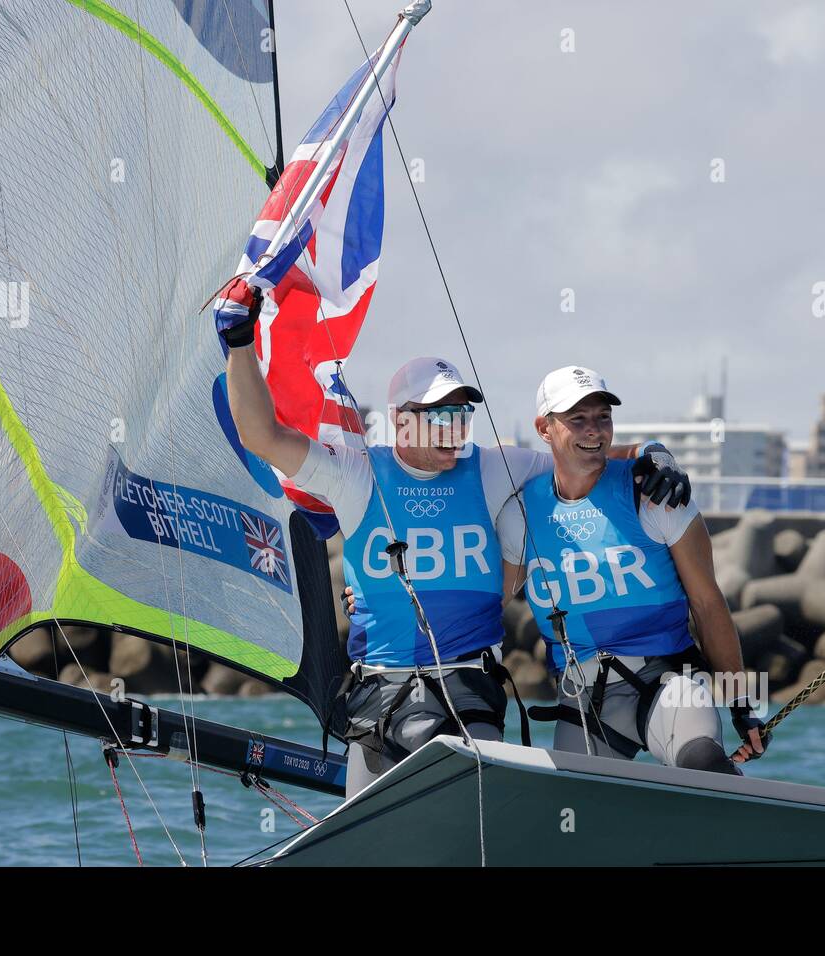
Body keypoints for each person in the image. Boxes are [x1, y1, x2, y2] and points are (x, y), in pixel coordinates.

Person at [220, 297, 693, 796]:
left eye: (461, 412)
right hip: (382, 690)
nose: (455, 426)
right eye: (438, 413)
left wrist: (651, 454)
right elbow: (262, 435)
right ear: (401, 418)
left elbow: (579, 455)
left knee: (474, 801)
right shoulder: (356, 474)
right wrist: (239, 344)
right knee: (364, 835)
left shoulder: (491, 468)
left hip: (468, 687)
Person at [498, 365, 768, 772]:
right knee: (570, 818)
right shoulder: (521, 513)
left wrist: (740, 704)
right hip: (584, 698)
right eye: (578, 419)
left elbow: (708, 603)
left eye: (603, 417)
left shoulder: (655, 494)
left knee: (702, 763)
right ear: (544, 428)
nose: (594, 430)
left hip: (667, 682)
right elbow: (488, 605)